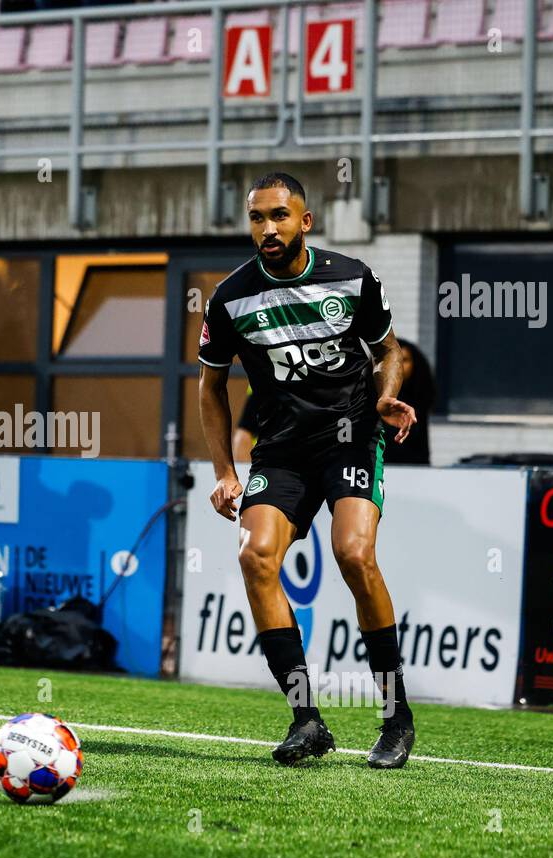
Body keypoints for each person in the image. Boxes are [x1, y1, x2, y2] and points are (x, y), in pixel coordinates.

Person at [197, 171, 419, 770]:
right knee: (255, 556)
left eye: (279, 216)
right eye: (257, 218)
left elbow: (390, 349)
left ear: (305, 221)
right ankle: (307, 720)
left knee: (353, 553)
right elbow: (211, 386)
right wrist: (224, 470)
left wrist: (384, 395)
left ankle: (396, 717)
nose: (267, 228)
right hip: (283, 450)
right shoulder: (230, 298)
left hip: (349, 439)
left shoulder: (352, 277)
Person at [381, 337, 433, 465]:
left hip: (411, 470)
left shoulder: (420, 398)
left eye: (404, 360)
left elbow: (421, 448)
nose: (399, 365)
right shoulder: (368, 396)